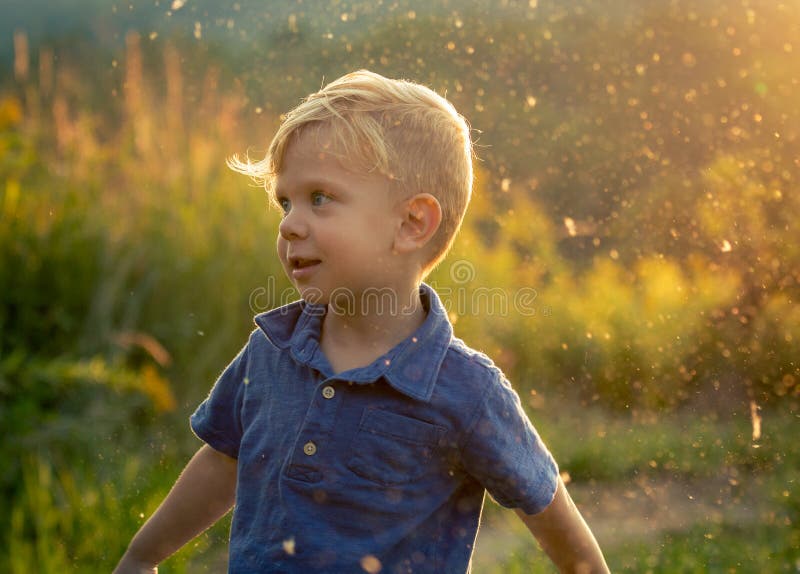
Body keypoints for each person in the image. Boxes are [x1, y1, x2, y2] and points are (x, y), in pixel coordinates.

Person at [114, 70, 609, 574]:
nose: (289, 223)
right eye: (285, 202)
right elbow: (224, 461)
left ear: (411, 223)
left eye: (320, 198)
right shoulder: (270, 352)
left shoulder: (466, 391)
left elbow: (552, 516)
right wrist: (141, 556)